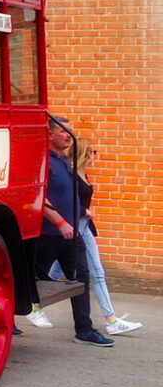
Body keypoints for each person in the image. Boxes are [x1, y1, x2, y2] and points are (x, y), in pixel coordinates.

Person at [48, 137, 142, 336]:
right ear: (85, 153)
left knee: (64, 271)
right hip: (76, 227)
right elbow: (68, 201)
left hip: (84, 227)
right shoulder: (72, 175)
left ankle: (32, 305)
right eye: (92, 152)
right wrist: (85, 211)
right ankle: (111, 321)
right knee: (82, 272)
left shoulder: (82, 174)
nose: (94, 156)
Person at [36, 115, 114, 347]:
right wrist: (60, 222)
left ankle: (84, 330)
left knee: (81, 279)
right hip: (47, 235)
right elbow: (37, 195)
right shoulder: (43, 161)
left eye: (70, 131)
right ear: (50, 134)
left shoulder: (63, 161)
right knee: (32, 280)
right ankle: (8, 321)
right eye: (64, 131)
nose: (69, 136)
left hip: (72, 235)